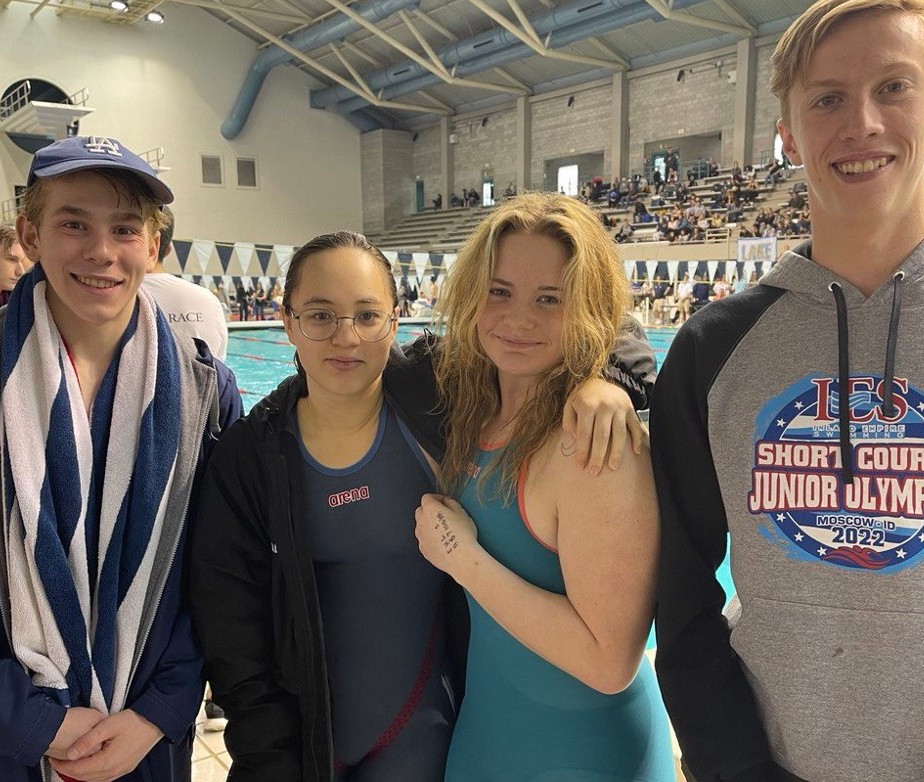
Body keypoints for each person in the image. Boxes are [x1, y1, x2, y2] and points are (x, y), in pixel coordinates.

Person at [651, 0, 924, 782]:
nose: (862, 123)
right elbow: (679, 603)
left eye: (893, 87)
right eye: (827, 99)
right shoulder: (713, 350)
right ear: (787, 132)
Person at [190, 229, 654, 781]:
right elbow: (230, 621)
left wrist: (607, 381)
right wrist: (267, 753)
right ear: (286, 321)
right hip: (303, 745)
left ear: (395, 321)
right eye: (320, 316)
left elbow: (590, 313)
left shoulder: (435, 396)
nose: (346, 337)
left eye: (367, 315)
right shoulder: (251, 455)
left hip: (428, 737)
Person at [0, 135, 242, 782]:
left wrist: (161, 710)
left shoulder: (206, 395)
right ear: (30, 234)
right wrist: (27, 721)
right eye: (74, 224)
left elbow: (220, 571)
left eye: (125, 228)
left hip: (138, 738)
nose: (102, 250)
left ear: (154, 246)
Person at [414, 192, 674, 782]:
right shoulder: (475, 407)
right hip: (486, 736)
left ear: (588, 309)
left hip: (586, 755)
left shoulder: (593, 443)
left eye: (549, 299)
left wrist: (461, 558)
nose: (518, 318)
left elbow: (610, 662)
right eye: (499, 291)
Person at [143, 207, 229, 360]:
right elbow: (218, 364)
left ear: (153, 247)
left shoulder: (113, 298)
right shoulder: (208, 300)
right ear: (168, 249)